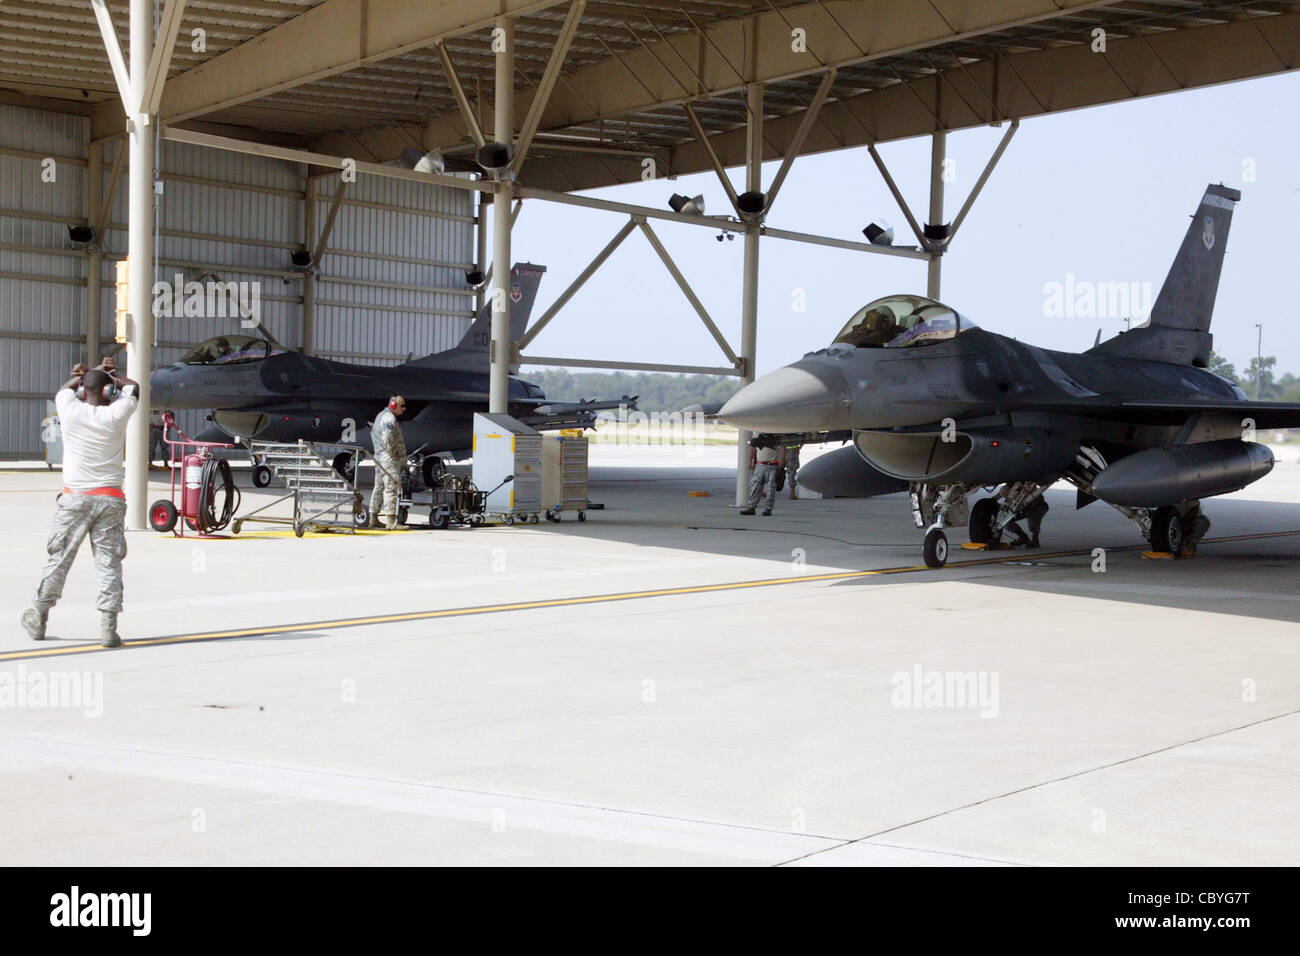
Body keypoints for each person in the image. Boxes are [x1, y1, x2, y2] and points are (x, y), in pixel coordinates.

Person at [21, 359, 140, 648]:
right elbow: (133, 388)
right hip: (110, 499)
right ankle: (108, 627)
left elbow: (64, 389)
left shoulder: (70, 409)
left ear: (84, 392)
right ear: (108, 390)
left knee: (59, 559)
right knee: (108, 563)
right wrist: (112, 376)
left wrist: (85, 374)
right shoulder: (117, 414)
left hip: (75, 499)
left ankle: (38, 616)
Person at [369, 395, 407, 530]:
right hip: (388, 459)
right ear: (393, 405)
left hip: (379, 457)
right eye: (402, 406)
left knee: (379, 486)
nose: (404, 409)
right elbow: (388, 437)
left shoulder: (380, 416)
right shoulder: (388, 418)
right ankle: (391, 521)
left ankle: (373, 518)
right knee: (391, 486)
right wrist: (395, 453)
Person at [740, 438, 783, 516]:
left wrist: (782, 462)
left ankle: (768, 508)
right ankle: (751, 507)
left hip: (772, 465)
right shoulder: (758, 435)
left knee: (770, 489)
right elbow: (753, 448)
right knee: (755, 487)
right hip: (760, 465)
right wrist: (751, 460)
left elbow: (782, 448)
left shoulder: (776, 435)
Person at [998, 483, 1049, 548]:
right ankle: (1023, 537)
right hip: (1021, 507)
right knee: (1006, 522)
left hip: (1037, 506)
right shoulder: (1009, 489)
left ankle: (1035, 539)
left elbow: (1033, 501)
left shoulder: (1028, 486)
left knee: (1032, 521)